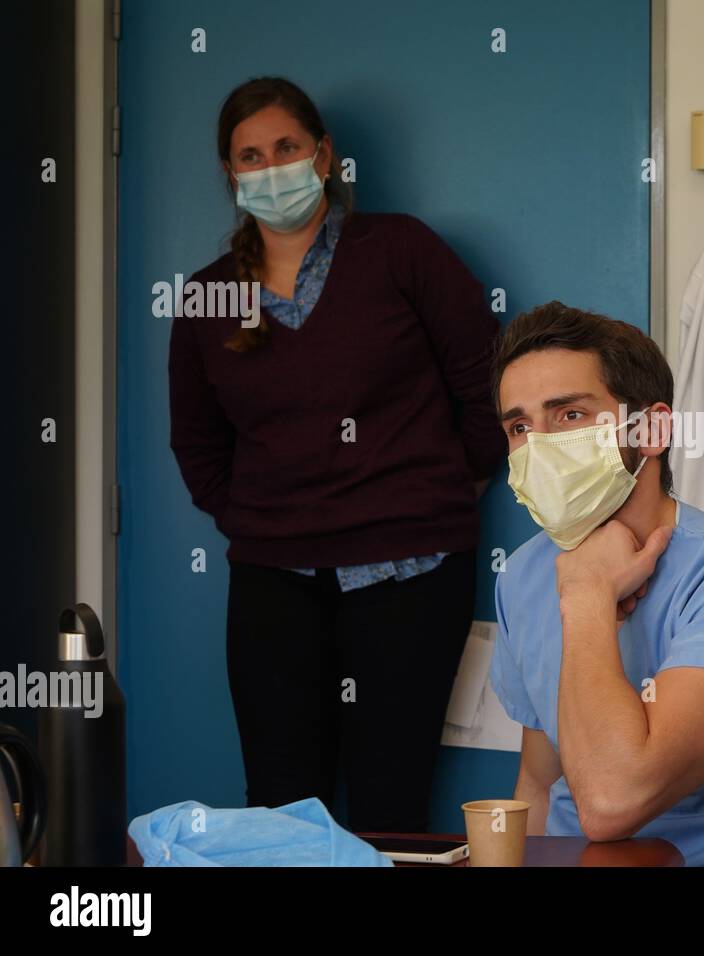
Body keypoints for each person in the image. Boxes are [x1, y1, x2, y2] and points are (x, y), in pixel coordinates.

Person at [168, 77, 506, 831]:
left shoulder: (401, 250)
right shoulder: (206, 298)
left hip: (411, 574)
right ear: (231, 176)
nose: (270, 166)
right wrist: (260, 521)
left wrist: (450, 484)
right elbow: (196, 441)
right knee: (281, 810)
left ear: (323, 155)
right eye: (249, 156)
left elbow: (488, 384)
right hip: (272, 585)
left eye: (286, 147)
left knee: (392, 803)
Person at [488, 301, 704, 866]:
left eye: (568, 416)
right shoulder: (523, 574)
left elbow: (613, 801)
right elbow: (541, 784)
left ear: (651, 430)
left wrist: (587, 595)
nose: (538, 446)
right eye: (519, 426)